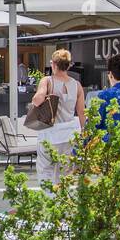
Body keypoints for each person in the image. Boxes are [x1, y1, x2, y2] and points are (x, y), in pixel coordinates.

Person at [31, 49, 85, 182]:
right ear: (68, 65)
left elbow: (37, 100)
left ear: (54, 64)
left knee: (45, 172)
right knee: (65, 172)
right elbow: (82, 113)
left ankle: (49, 199)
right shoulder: (77, 85)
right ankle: (62, 199)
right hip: (69, 135)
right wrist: (84, 134)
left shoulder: (48, 81)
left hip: (49, 132)